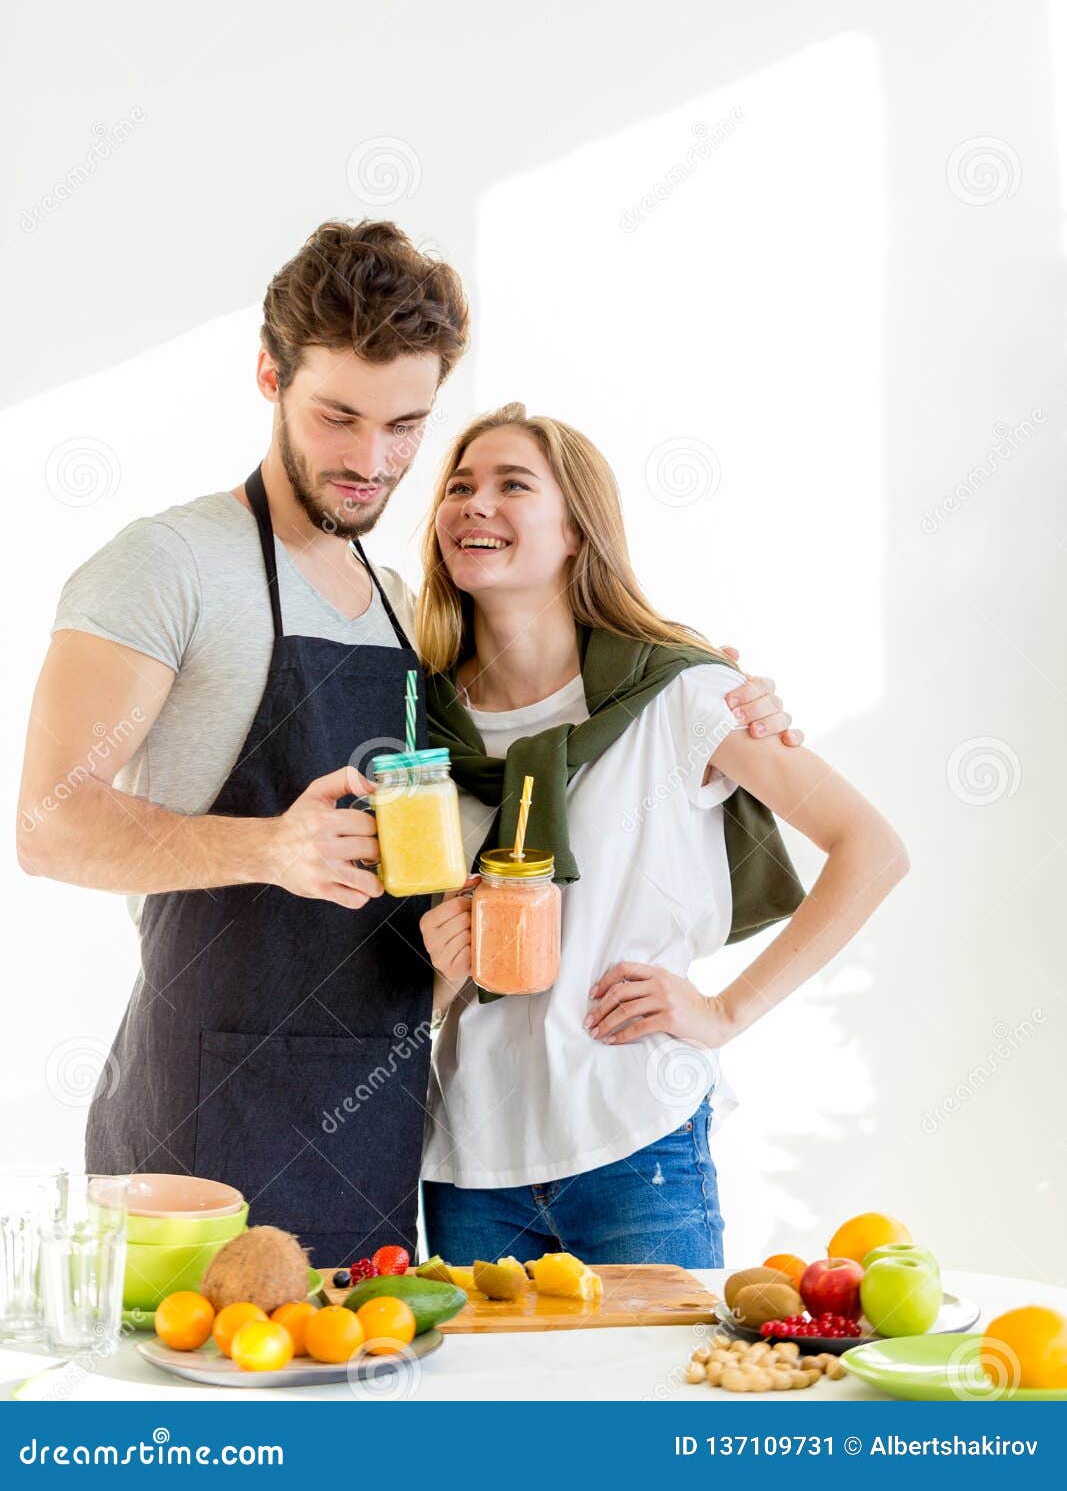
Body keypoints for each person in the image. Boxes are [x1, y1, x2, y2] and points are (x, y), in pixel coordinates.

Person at [16, 221, 797, 1268]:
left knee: (367, 1419)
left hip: (382, 1133)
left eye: (404, 426)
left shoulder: (401, 612)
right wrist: (266, 849)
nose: (370, 460)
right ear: (267, 374)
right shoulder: (168, 565)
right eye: (338, 415)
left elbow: (549, 686)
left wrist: (708, 681)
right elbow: (47, 821)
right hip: (201, 1119)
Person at [416, 404, 909, 1267]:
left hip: (634, 1143)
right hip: (465, 1162)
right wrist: (436, 967)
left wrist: (724, 1011)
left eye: (511, 485)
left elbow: (870, 848)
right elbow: (414, 989)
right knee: (488, 1411)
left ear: (575, 530)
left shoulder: (679, 695)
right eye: (458, 486)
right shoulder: (420, 727)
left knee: (661, 1405)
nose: (473, 504)